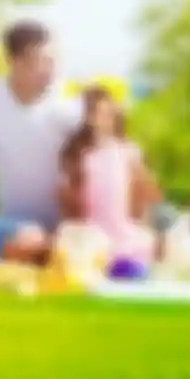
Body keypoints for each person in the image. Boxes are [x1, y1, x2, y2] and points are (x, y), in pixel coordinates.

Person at [0, 20, 80, 262]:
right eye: (40, 62)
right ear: (14, 62)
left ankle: (49, 250)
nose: (49, 70)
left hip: (65, 225)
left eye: (52, 61)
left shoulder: (67, 105)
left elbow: (84, 169)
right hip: (13, 226)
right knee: (6, 236)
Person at [58, 85, 159, 263]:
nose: (106, 118)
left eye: (110, 113)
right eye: (100, 113)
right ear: (88, 117)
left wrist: (143, 225)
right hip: (91, 230)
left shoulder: (128, 151)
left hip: (122, 230)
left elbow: (145, 194)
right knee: (78, 248)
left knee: (140, 246)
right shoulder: (79, 154)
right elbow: (68, 201)